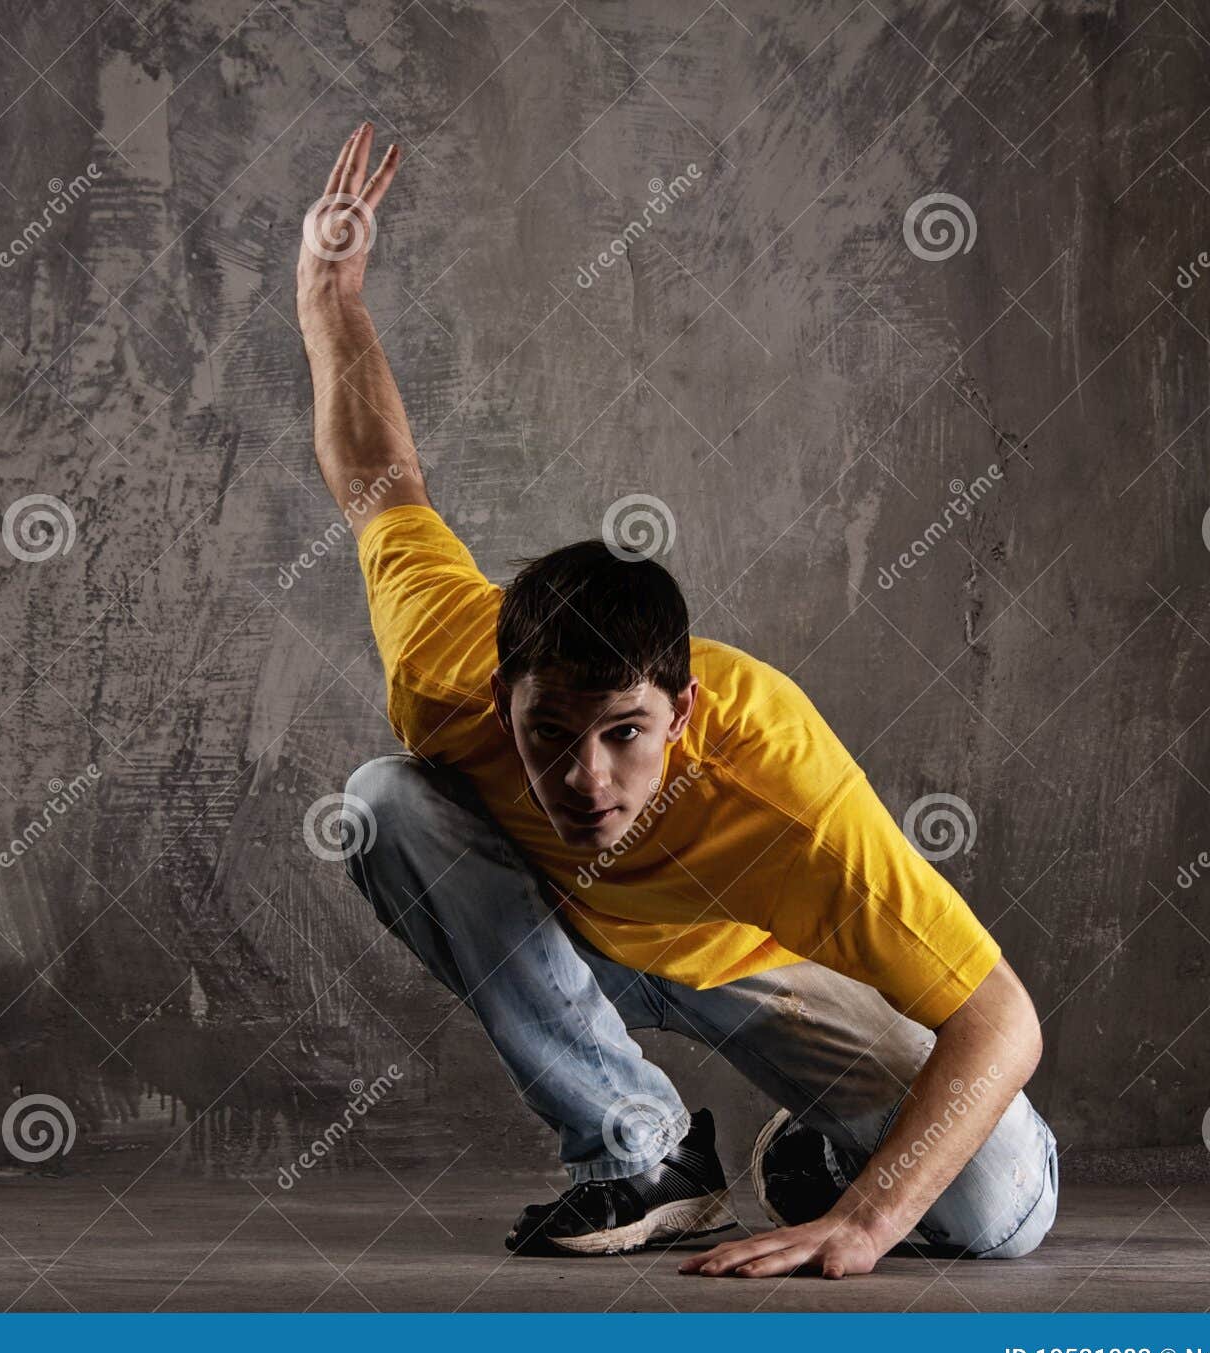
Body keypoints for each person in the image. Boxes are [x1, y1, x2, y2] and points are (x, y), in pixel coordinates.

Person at [295, 122, 1058, 1279]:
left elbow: (1002, 1018)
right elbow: (375, 476)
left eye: (623, 737)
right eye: (546, 734)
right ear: (500, 696)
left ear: (684, 714)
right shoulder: (447, 662)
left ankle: (820, 1156)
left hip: (748, 960)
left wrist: (864, 1223)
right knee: (381, 800)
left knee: (996, 1219)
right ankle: (639, 1151)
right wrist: (326, 294)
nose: (583, 780)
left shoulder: (784, 790)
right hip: (559, 936)